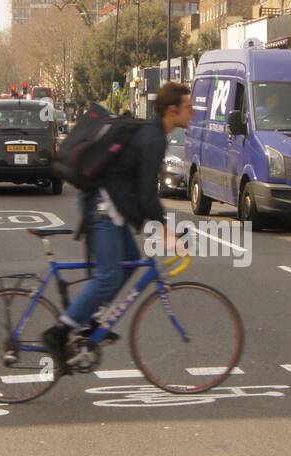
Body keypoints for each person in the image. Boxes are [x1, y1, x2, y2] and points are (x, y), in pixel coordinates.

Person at [41, 82, 191, 370]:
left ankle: (89, 321)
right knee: (109, 276)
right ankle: (59, 332)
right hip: (103, 207)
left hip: (111, 206)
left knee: (131, 263)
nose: (192, 112)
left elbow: (138, 189)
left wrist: (155, 225)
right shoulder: (154, 138)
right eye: (188, 107)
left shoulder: (152, 133)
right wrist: (164, 231)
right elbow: (147, 193)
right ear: (173, 110)